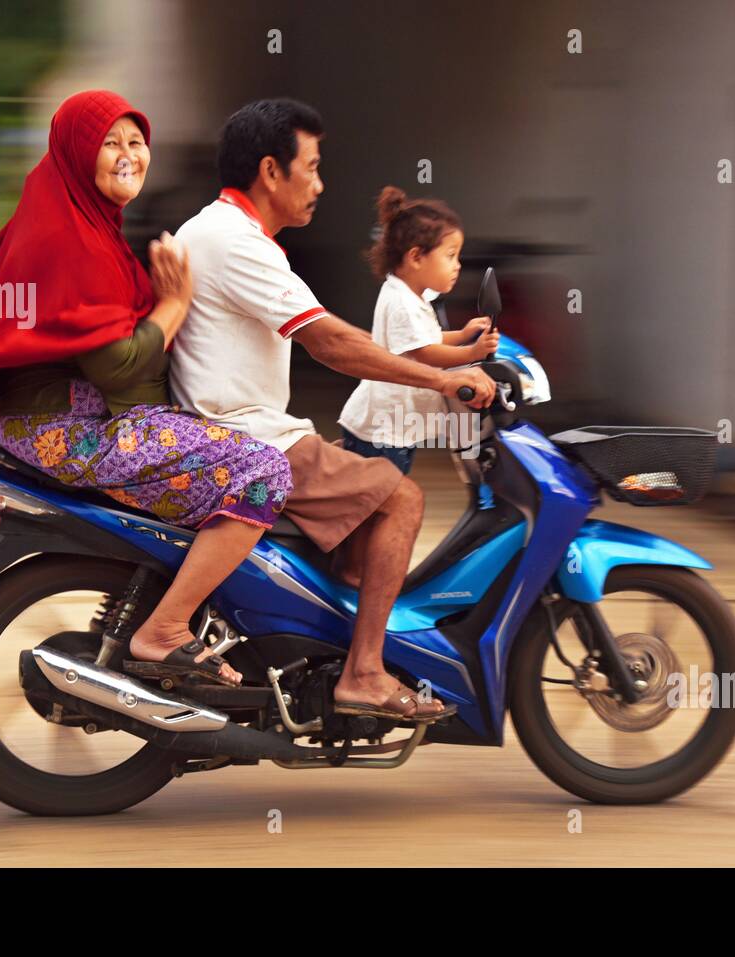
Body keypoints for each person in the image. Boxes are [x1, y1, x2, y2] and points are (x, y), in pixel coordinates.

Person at [0, 90, 294, 687]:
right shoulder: (69, 239)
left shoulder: (71, 220)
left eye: (136, 142)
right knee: (264, 471)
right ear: (78, 151)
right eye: (110, 143)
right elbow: (118, 366)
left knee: (225, 449)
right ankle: (165, 629)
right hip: (68, 429)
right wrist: (175, 302)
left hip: (54, 421)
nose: (129, 155)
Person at [170, 98, 497, 723]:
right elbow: (332, 343)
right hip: (250, 435)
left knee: (364, 495)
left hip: (225, 425)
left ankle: (322, 628)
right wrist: (445, 380)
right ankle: (365, 674)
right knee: (401, 498)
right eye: (312, 167)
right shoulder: (240, 243)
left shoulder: (210, 231)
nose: (320, 184)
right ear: (271, 171)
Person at [337, 186, 500, 474]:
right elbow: (424, 353)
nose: (457, 265)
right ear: (416, 257)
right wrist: (471, 352)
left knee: (379, 502)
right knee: (381, 504)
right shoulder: (402, 302)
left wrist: (462, 335)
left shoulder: (412, 296)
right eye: (450, 255)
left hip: (391, 429)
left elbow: (425, 339)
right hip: (382, 434)